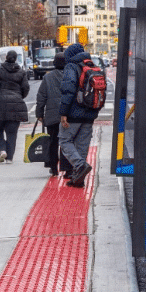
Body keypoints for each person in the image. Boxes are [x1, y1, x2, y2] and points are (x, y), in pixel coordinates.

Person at [58, 42, 100, 188]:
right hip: (90, 114)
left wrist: (63, 113)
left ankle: (80, 166)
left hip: (74, 113)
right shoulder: (93, 66)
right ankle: (78, 179)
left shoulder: (71, 67)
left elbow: (68, 90)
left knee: (64, 140)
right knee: (82, 146)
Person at [0, 49, 29, 163]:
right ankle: (9, 157)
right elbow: (25, 88)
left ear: (6, 57)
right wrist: (19, 97)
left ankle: (2, 149)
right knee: (12, 132)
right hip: (16, 104)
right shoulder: (21, 72)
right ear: (16, 59)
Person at [35, 53, 72, 179]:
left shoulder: (47, 77)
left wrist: (39, 113)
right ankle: (67, 169)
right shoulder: (71, 76)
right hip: (68, 115)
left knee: (52, 142)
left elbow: (41, 97)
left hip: (51, 115)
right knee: (66, 142)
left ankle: (53, 167)